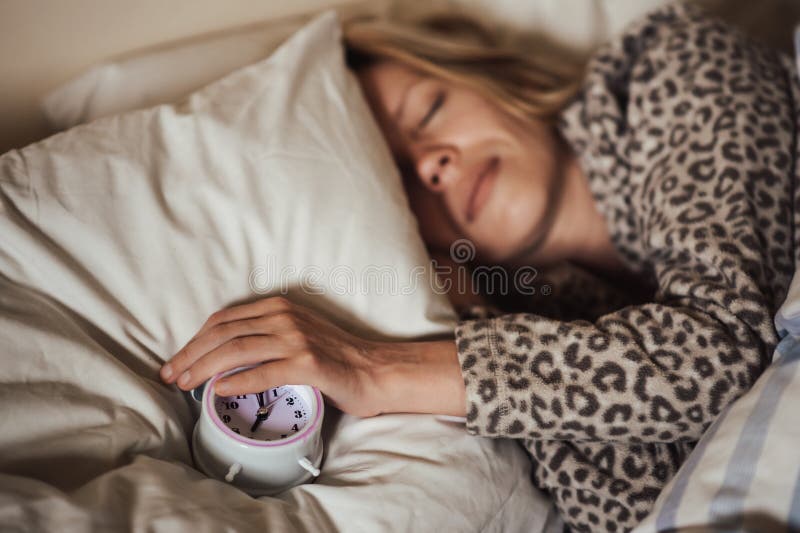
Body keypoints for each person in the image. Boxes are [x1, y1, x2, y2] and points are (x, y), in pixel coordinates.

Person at [159, 2, 800, 531]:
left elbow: (723, 350)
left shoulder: (672, 62)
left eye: (429, 111)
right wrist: (473, 308)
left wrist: (376, 369)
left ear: (489, 74)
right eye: (401, 183)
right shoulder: (527, 315)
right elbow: (633, 505)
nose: (432, 164)